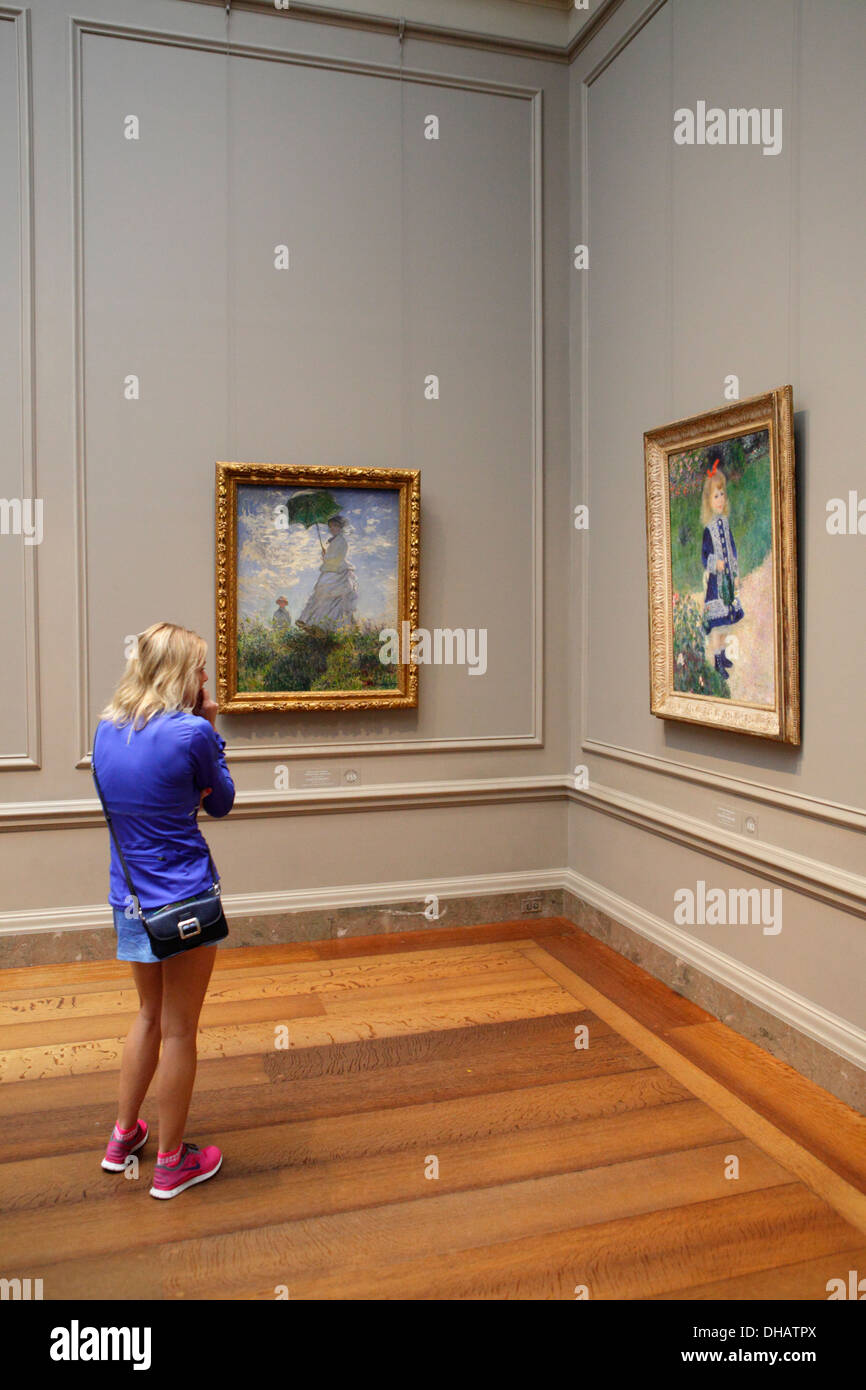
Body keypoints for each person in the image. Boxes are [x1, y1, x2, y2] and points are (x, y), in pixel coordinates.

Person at [92, 622, 235, 1199]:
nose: (206, 677)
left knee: (148, 1016)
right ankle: (173, 1164)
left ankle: (123, 1137)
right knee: (180, 1031)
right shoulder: (189, 733)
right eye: (200, 668)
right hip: (184, 903)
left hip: (128, 899)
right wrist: (212, 725)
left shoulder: (107, 730)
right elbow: (221, 801)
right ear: (180, 673)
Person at [700, 460, 744, 681]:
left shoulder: (725, 523)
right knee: (717, 626)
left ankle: (724, 655)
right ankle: (717, 661)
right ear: (709, 501)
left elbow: (733, 549)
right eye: (715, 496)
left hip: (727, 582)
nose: (720, 499)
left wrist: (735, 575)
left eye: (722, 494)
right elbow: (704, 556)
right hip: (716, 587)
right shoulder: (708, 529)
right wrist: (714, 563)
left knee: (727, 622)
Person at [296, 515, 359, 632]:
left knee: (332, 599)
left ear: (340, 527)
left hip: (337, 573)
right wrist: (326, 555)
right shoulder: (334, 541)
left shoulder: (341, 541)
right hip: (329, 571)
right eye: (330, 527)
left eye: (334, 526)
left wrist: (326, 556)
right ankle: (312, 622)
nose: (332, 529)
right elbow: (331, 557)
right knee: (321, 595)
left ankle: (325, 626)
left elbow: (337, 558)